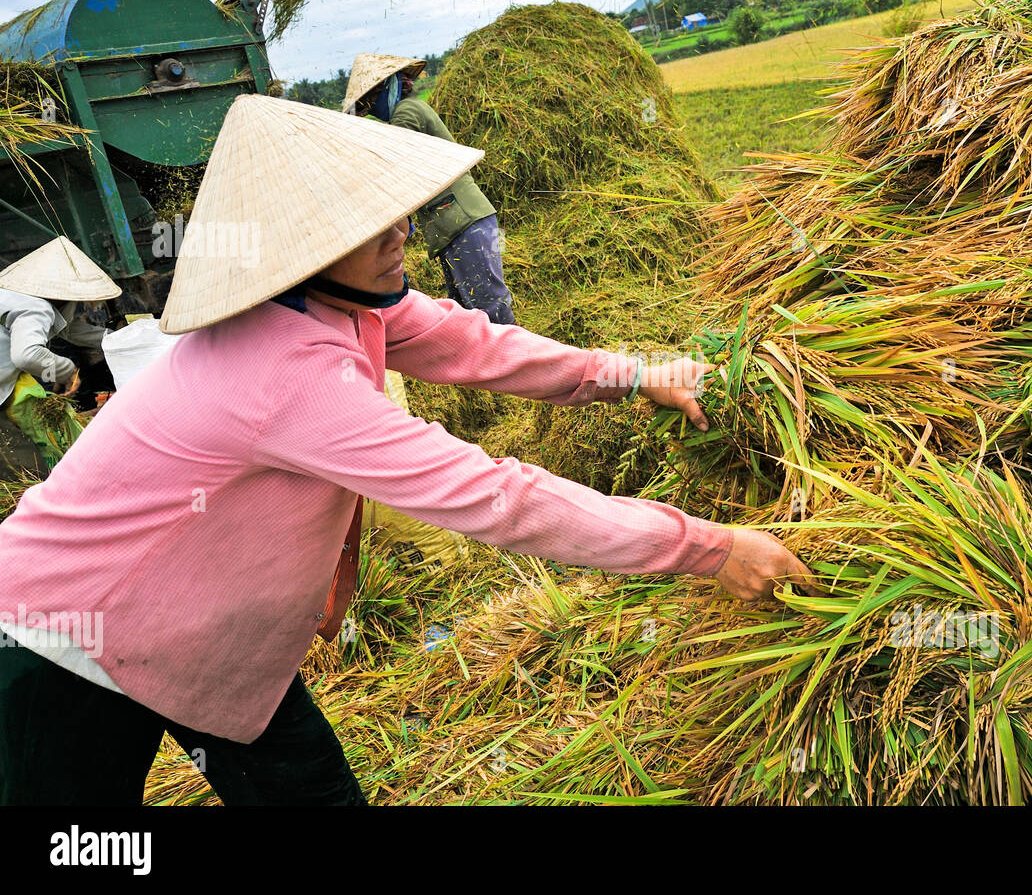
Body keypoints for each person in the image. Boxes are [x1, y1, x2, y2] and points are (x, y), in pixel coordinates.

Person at [0, 94, 812, 806]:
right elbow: (497, 497)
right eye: (371, 224)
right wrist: (707, 547)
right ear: (305, 250)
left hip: (207, 630)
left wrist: (636, 375)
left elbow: (476, 344)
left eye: (396, 212)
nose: (403, 233)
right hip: (63, 636)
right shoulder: (283, 368)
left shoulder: (348, 304)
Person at [342, 53, 516, 325]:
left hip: (464, 221)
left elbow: (395, 168)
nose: (372, 106)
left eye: (373, 98)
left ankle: (514, 362)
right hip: (454, 225)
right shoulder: (404, 112)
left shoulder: (406, 113)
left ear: (390, 86)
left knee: (489, 309)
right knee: (467, 313)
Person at [0, 237, 120, 469]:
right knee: (29, 468)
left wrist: (119, 337)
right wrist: (67, 370)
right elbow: (27, 354)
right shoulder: (36, 307)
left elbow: (68, 330)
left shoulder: (15, 296)